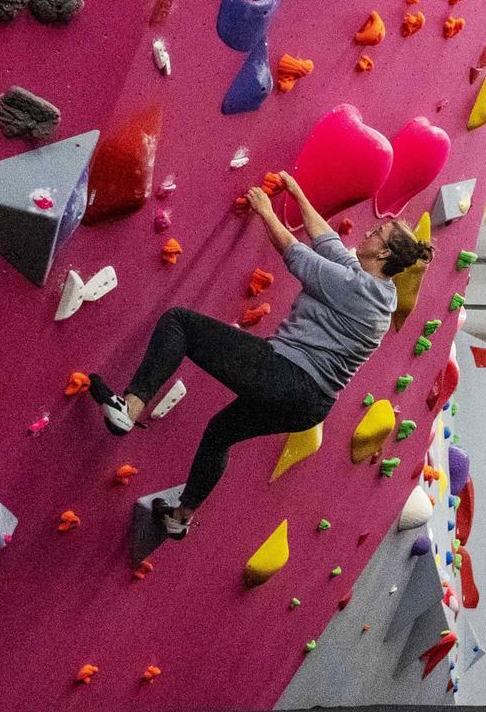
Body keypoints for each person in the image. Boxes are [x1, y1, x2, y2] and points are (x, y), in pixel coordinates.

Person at [86, 171, 432, 539]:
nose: (368, 232)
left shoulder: (356, 289)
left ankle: (131, 407)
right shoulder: (379, 290)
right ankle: (180, 517)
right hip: (310, 405)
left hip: (286, 376)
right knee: (221, 432)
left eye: (377, 234)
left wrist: (265, 210)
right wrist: (298, 192)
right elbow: (327, 241)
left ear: (383, 252)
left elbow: (296, 255)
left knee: (180, 324)